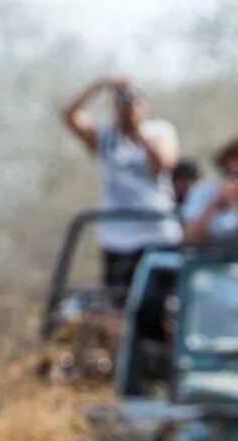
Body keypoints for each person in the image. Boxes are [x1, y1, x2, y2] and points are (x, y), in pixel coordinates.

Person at [60, 76, 181, 289]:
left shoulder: (159, 131)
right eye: (121, 103)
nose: (127, 108)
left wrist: (138, 132)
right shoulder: (105, 137)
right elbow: (69, 115)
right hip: (116, 236)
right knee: (117, 299)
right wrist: (99, 85)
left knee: (156, 300)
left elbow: (164, 163)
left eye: (133, 102)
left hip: (157, 232)